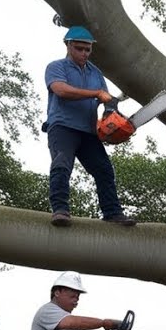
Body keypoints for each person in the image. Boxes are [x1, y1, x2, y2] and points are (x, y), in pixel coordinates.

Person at [44, 26, 136, 227]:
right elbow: (61, 90)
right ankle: (60, 209)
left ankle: (112, 212)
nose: (84, 53)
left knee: (104, 169)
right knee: (61, 164)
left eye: (88, 49)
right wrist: (95, 94)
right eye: (79, 48)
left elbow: (107, 100)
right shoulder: (56, 67)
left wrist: (111, 117)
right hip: (63, 127)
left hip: (88, 131)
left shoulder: (96, 73)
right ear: (68, 46)